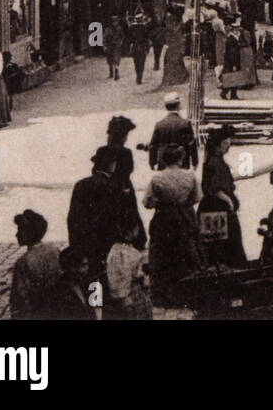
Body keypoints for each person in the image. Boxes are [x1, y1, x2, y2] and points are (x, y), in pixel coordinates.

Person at [143, 144, 205, 306]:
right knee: (189, 249)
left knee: (164, 253)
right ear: (180, 158)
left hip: (164, 218)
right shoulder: (190, 176)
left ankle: (165, 293)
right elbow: (198, 197)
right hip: (185, 216)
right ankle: (190, 289)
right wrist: (184, 204)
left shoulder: (157, 178)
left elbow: (147, 202)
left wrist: (161, 203)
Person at [66, 149, 125, 280]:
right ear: (110, 165)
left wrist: (74, 239)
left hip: (82, 238)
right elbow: (115, 216)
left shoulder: (81, 184)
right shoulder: (113, 186)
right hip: (104, 240)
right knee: (103, 275)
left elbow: (73, 216)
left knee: (87, 274)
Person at [95, 116, 146, 250]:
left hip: (103, 187)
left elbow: (95, 171)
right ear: (123, 136)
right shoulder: (126, 152)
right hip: (123, 188)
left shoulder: (101, 151)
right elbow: (128, 171)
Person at [199, 127, 247, 267]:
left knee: (216, 246)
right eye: (225, 144)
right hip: (217, 210)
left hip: (213, 210)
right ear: (217, 146)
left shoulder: (213, 161)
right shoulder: (215, 163)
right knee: (222, 247)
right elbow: (213, 189)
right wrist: (229, 202)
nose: (228, 147)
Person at [10, 210, 62, 320]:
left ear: (29, 234)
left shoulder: (23, 263)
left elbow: (19, 300)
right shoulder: (54, 251)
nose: (16, 234)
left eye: (20, 230)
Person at [105, 219, 153, 320]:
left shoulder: (115, 249)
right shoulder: (126, 252)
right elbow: (127, 275)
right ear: (129, 231)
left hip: (123, 293)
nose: (138, 231)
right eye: (136, 229)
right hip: (130, 293)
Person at [149, 92, 198, 170]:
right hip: (181, 163)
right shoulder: (185, 124)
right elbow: (192, 144)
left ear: (165, 106)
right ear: (178, 105)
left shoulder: (159, 124)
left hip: (164, 164)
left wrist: (152, 163)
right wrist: (195, 162)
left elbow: (153, 146)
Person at [51, 248, 98, 320]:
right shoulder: (57, 290)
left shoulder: (87, 283)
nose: (81, 270)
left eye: (84, 265)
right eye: (75, 266)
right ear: (66, 267)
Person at [218, 21, 243, 100]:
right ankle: (224, 92)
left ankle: (233, 94)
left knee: (235, 78)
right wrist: (235, 63)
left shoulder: (235, 37)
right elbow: (231, 53)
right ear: (233, 30)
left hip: (234, 61)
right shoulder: (231, 39)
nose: (236, 30)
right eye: (235, 29)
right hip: (231, 62)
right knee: (229, 78)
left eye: (237, 29)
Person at [127, 5, 152, 84]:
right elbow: (147, 38)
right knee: (140, 63)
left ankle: (139, 76)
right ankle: (139, 75)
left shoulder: (134, 28)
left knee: (138, 62)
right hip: (140, 47)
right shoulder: (142, 27)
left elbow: (130, 39)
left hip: (138, 47)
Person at [103, 11, 125, 80]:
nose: (115, 23)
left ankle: (116, 71)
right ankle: (111, 72)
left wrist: (121, 42)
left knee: (116, 59)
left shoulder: (119, 28)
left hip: (116, 46)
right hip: (109, 46)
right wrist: (105, 46)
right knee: (110, 60)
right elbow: (104, 38)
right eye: (114, 22)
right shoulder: (107, 30)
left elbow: (122, 36)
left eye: (116, 22)